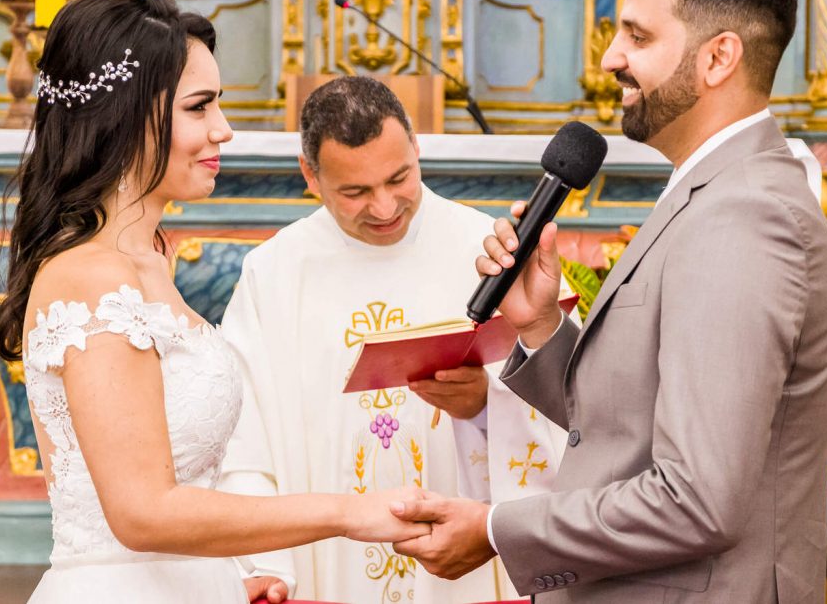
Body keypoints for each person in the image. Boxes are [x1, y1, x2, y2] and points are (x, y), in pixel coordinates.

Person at [390, 0, 827, 602]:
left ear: (718, 57)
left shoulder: (743, 217)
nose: (610, 58)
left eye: (638, 36)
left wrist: (493, 528)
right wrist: (540, 325)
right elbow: (630, 427)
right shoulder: (712, 191)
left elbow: (697, 499)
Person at [0, 0, 427, 604]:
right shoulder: (92, 277)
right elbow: (142, 513)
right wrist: (347, 512)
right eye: (199, 107)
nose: (223, 128)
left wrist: (223, 578)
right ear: (124, 116)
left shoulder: (150, 261)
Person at [217, 76, 569, 604]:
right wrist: (265, 566)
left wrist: (484, 405)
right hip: (327, 572)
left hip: (464, 576)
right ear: (310, 175)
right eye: (355, 192)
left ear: (416, 147)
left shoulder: (490, 251)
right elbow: (243, 441)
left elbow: (574, 416)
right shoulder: (274, 274)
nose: (384, 208)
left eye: (399, 178)